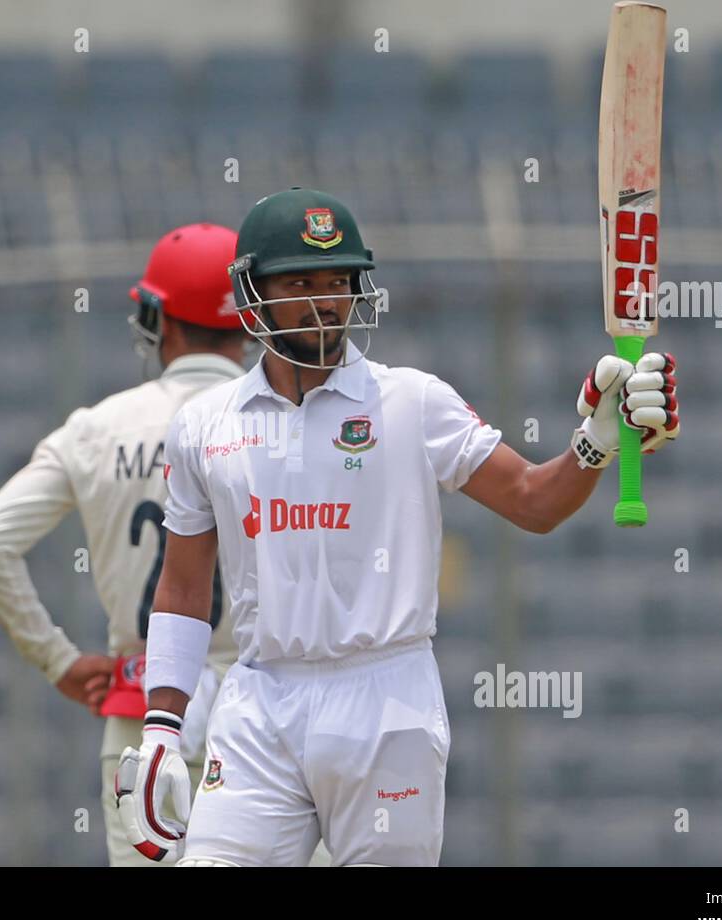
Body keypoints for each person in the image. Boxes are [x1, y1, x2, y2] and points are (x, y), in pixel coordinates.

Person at [115, 187, 680, 866]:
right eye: (300, 281)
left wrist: (596, 439)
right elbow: (181, 590)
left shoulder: (412, 402)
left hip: (386, 704)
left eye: (340, 281)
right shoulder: (205, 425)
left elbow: (535, 501)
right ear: (251, 294)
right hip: (258, 702)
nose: (327, 300)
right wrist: (160, 728)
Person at [0, 223, 245, 866]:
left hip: (147, 711)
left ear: (156, 317)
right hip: (267, 713)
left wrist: (57, 659)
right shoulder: (281, 422)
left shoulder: (99, 427)